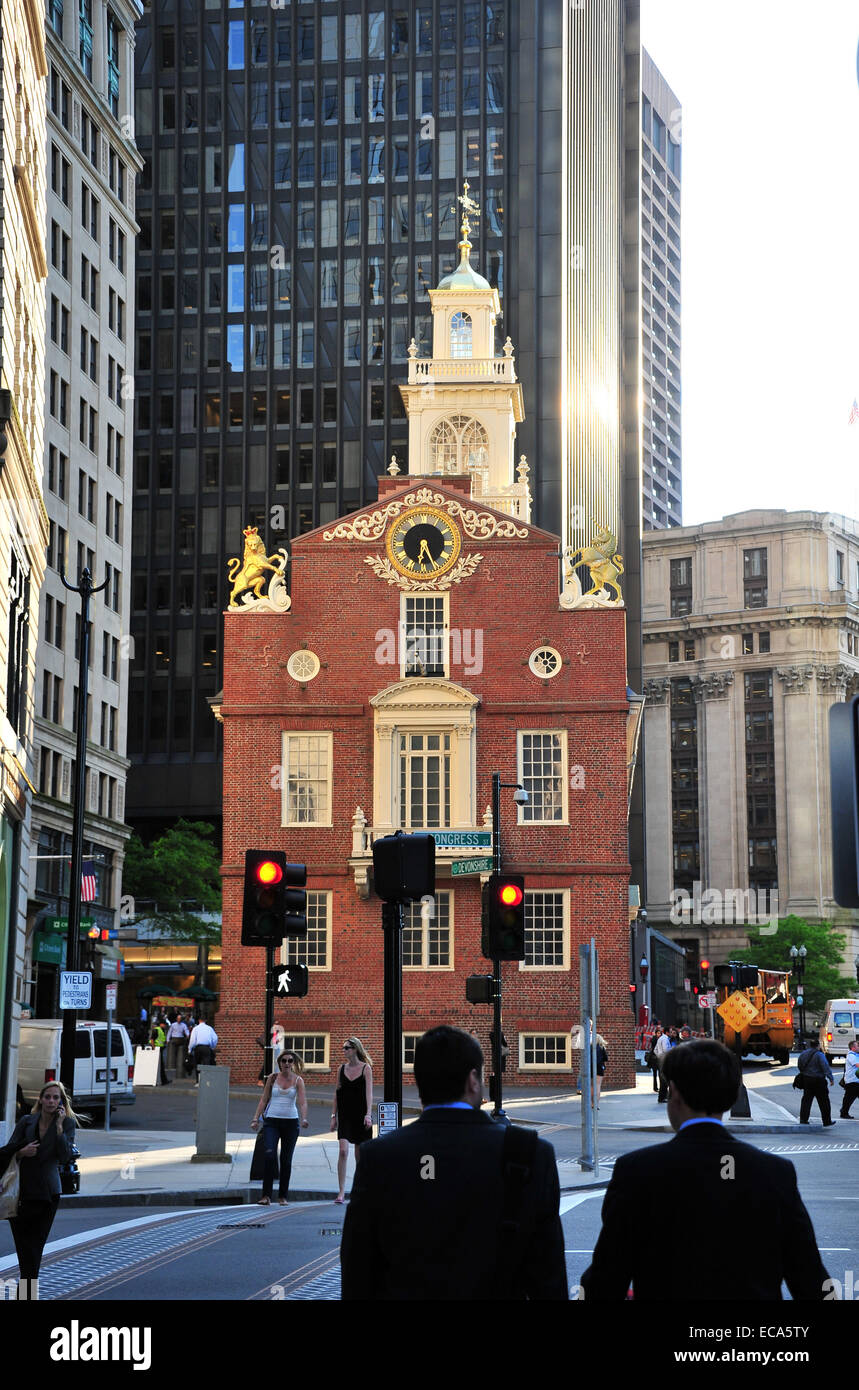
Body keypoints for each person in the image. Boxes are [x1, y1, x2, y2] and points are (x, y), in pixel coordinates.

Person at [580, 1039, 831, 1300]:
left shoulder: (636, 1171)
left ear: (674, 1093)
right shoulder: (775, 1173)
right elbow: (810, 1278)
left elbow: (606, 1278)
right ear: (731, 1096)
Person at [340, 1025, 567, 1300]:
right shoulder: (529, 1152)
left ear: (421, 1083)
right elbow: (548, 1276)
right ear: (473, 1081)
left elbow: (358, 1273)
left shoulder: (378, 1157)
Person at [0, 1081, 79, 1299]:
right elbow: (7, 1151)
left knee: (35, 1245)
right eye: (48, 1097)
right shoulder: (27, 1121)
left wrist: (60, 1128)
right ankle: (27, 1292)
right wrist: (21, 1153)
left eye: (56, 1098)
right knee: (24, 1246)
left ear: (61, 1102)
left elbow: (64, 1157)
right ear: (40, 1099)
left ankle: (26, 1293)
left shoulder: (68, 1123)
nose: (51, 1101)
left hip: (48, 1193)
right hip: (21, 1192)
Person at [251, 1050, 309, 1205]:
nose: (287, 1064)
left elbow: (302, 1102)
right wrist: (255, 1118)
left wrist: (304, 1118)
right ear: (280, 1063)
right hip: (271, 1122)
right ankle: (266, 1196)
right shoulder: (272, 1078)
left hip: (290, 1123)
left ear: (293, 1063)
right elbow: (264, 1100)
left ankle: (283, 1196)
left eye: (290, 1061)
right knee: (269, 1155)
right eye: (284, 1061)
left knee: (286, 1160)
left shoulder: (298, 1080)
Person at [330, 1037, 373, 1204]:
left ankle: (359, 1188)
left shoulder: (366, 1069)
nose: (344, 1050)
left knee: (360, 1154)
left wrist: (368, 1114)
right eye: (343, 1048)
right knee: (343, 1151)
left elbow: (369, 1093)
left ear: (355, 1049)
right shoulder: (341, 1069)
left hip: (361, 1115)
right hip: (345, 1115)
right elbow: (336, 1093)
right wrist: (333, 1116)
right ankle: (341, 1192)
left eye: (347, 1048)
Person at [796, 1038, 836, 1127]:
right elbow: (825, 1066)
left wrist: (806, 1073)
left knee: (806, 1100)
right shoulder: (819, 1055)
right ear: (818, 1045)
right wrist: (831, 1078)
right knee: (824, 1101)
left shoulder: (803, 1053)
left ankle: (803, 1119)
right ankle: (826, 1121)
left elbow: (799, 1065)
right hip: (819, 1080)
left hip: (807, 1079)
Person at [188, 1017, 218, 1083]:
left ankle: (198, 1081)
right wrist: (212, 1046)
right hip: (207, 1048)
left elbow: (192, 1040)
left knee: (197, 1064)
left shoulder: (196, 1028)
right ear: (205, 1020)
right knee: (206, 1064)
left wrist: (189, 1049)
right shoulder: (209, 1028)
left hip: (198, 1048)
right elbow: (215, 1038)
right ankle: (206, 1081)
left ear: (199, 1020)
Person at [655, 1025, 677, 1103]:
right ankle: (662, 1097)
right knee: (664, 1079)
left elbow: (655, 1050)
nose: (671, 1033)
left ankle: (662, 1097)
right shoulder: (665, 1039)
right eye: (670, 1032)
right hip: (664, 1060)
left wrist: (659, 1056)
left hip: (661, 1059)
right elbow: (665, 1049)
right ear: (667, 1032)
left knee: (663, 1079)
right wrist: (672, 1049)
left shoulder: (661, 1038)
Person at [840, 1039, 859, 1119]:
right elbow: (858, 1065)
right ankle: (844, 1112)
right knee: (848, 1098)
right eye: (857, 1046)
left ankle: (843, 1112)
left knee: (848, 1098)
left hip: (856, 1081)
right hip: (852, 1081)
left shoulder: (856, 1055)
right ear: (853, 1048)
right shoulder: (851, 1055)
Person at [150, 1020, 170, 1085]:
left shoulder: (161, 1030)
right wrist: (154, 1049)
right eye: (164, 1024)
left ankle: (163, 1080)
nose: (165, 1026)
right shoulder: (156, 1030)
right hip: (156, 1049)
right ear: (161, 1024)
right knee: (160, 1066)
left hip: (160, 1049)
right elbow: (152, 1039)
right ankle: (163, 1080)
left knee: (161, 1065)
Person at [646, 1025, 664, 1092]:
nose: (659, 1034)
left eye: (660, 1033)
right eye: (658, 1033)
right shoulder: (654, 1039)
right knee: (654, 1074)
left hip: (658, 1058)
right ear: (656, 1033)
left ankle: (660, 1087)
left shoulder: (661, 1039)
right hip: (654, 1058)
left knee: (660, 1073)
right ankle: (655, 1087)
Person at [594, 1034, 608, 1107]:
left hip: (591, 1067)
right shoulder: (602, 1047)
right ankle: (596, 1104)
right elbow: (606, 1058)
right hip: (599, 1067)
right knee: (598, 1086)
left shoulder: (590, 1047)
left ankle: (591, 1103)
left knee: (591, 1086)